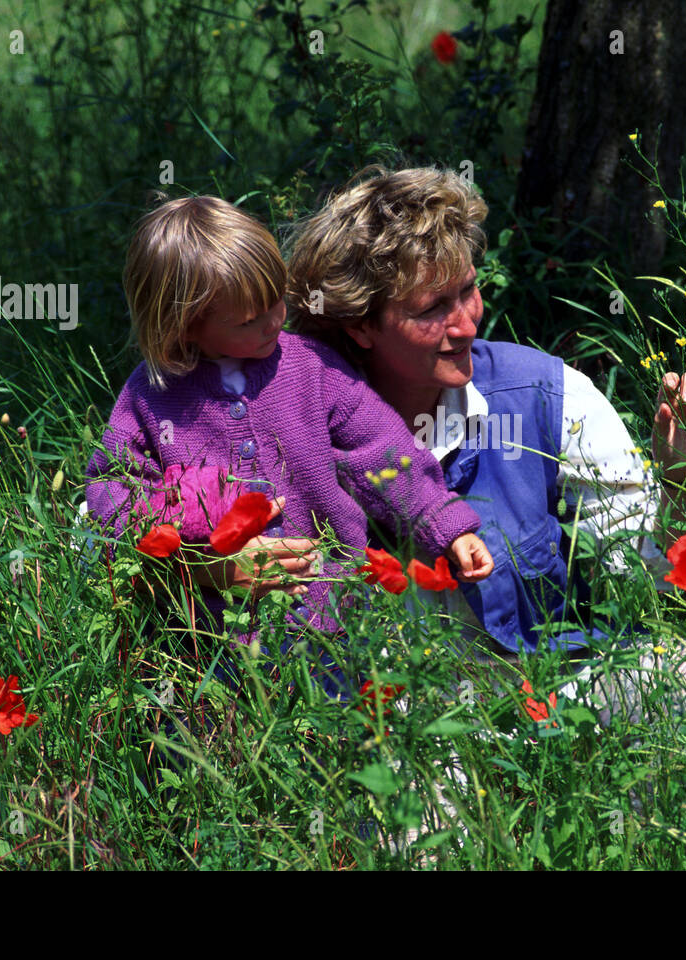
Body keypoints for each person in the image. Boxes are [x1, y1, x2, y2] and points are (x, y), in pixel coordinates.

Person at [269, 164, 686, 734]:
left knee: (684, 682)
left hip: (553, 700)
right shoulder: (298, 432)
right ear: (361, 325)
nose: (464, 324)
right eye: (432, 308)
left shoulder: (544, 395)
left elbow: (656, 584)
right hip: (403, 729)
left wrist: (683, 474)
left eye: (468, 289)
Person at [81, 194, 493, 697]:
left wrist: (444, 525)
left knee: (341, 743)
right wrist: (194, 560)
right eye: (249, 319)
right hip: (205, 636)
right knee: (226, 751)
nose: (275, 320)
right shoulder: (150, 396)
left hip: (333, 621)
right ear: (183, 324)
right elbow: (114, 487)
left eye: (277, 299)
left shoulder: (311, 370)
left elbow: (382, 451)